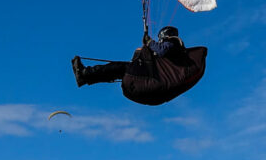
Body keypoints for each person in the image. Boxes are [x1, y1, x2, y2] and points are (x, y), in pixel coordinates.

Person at [71, 26, 207, 106]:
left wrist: (149, 43)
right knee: (123, 70)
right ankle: (85, 77)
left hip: (151, 83)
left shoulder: (173, 43)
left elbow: (162, 50)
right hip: (153, 92)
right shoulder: (174, 58)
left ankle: (85, 74)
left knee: (122, 68)